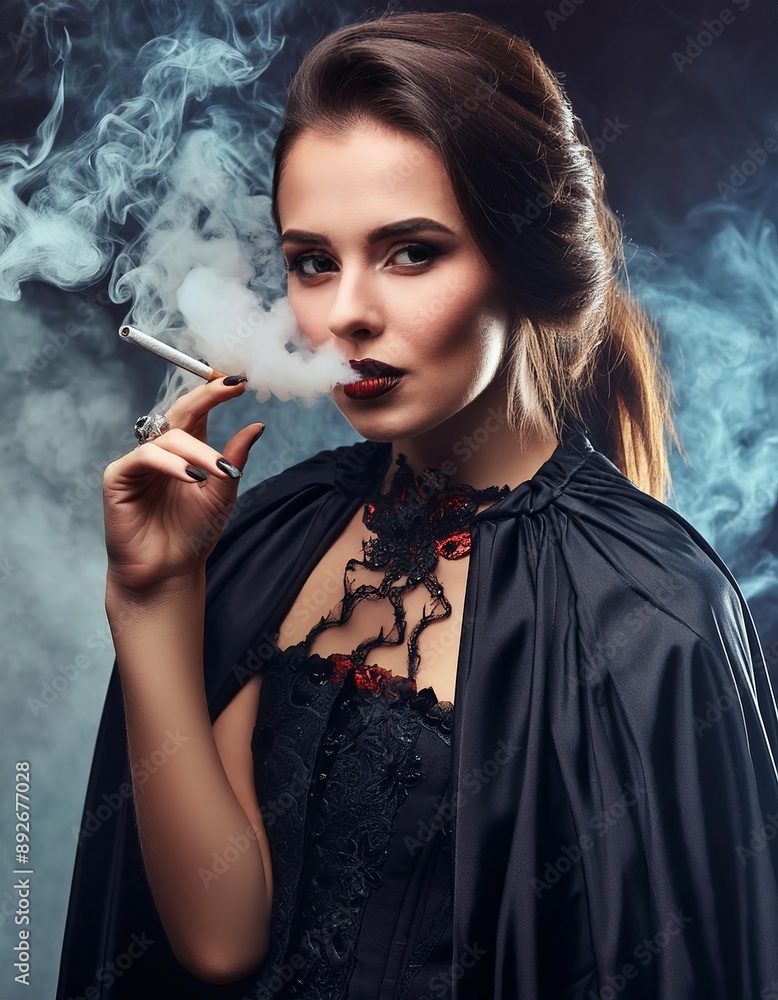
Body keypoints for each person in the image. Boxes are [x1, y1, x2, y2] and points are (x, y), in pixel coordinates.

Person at [56, 10, 778, 1000]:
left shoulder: (659, 615)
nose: (345, 310)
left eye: (409, 252)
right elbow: (220, 941)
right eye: (313, 260)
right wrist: (151, 600)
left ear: (520, 257)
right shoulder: (271, 535)